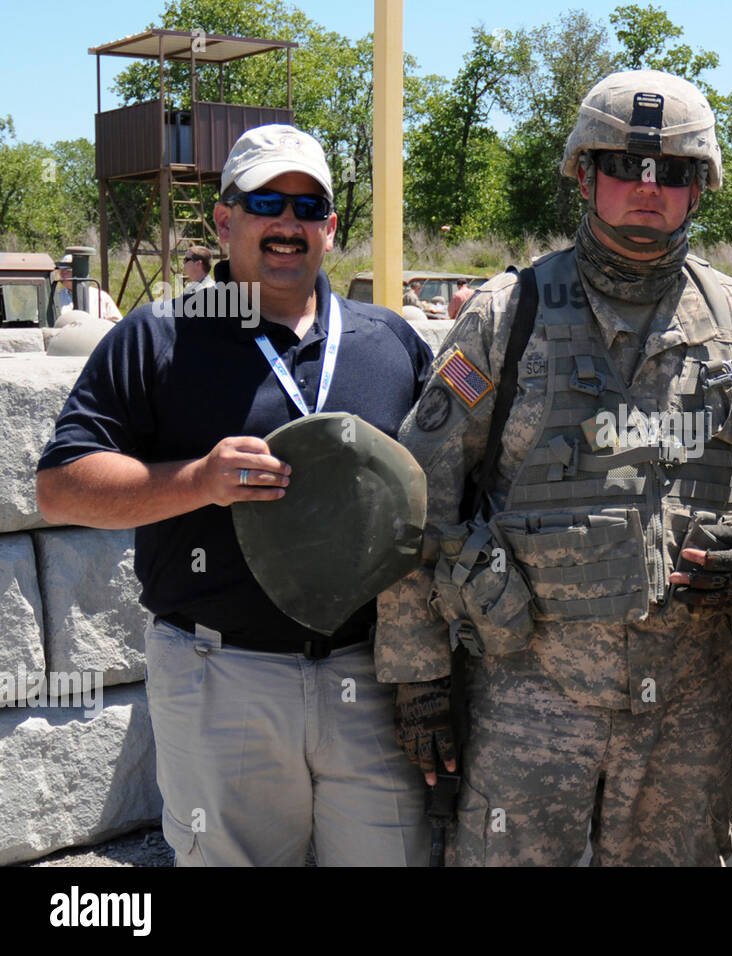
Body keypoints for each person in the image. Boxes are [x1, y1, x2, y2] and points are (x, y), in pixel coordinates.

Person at [377, 70, 732, 866]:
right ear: (586, 176)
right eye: (626, 166)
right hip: (528, 693)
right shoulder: (505, 318)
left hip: (686, 700)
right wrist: (418, 677)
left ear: (702, 188)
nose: (648, 188)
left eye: (675, 171)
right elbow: (417, 493)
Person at [35, 124, 434, 866]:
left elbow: (441, 489)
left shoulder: (391, 342)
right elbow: (61, 488)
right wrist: (198, 482)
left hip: (369, 675)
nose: (288, 223)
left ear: (331, 227)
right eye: (265, 203)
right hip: (223, 675)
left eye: (308, 206)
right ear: (224, 220)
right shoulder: (157, 336)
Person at [55, 254, 122, 321]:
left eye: (66, 272)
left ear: (77, 272)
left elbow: (117, 322)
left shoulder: (101, 296)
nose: (62, 275)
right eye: (60, 272)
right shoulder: (56, 298)